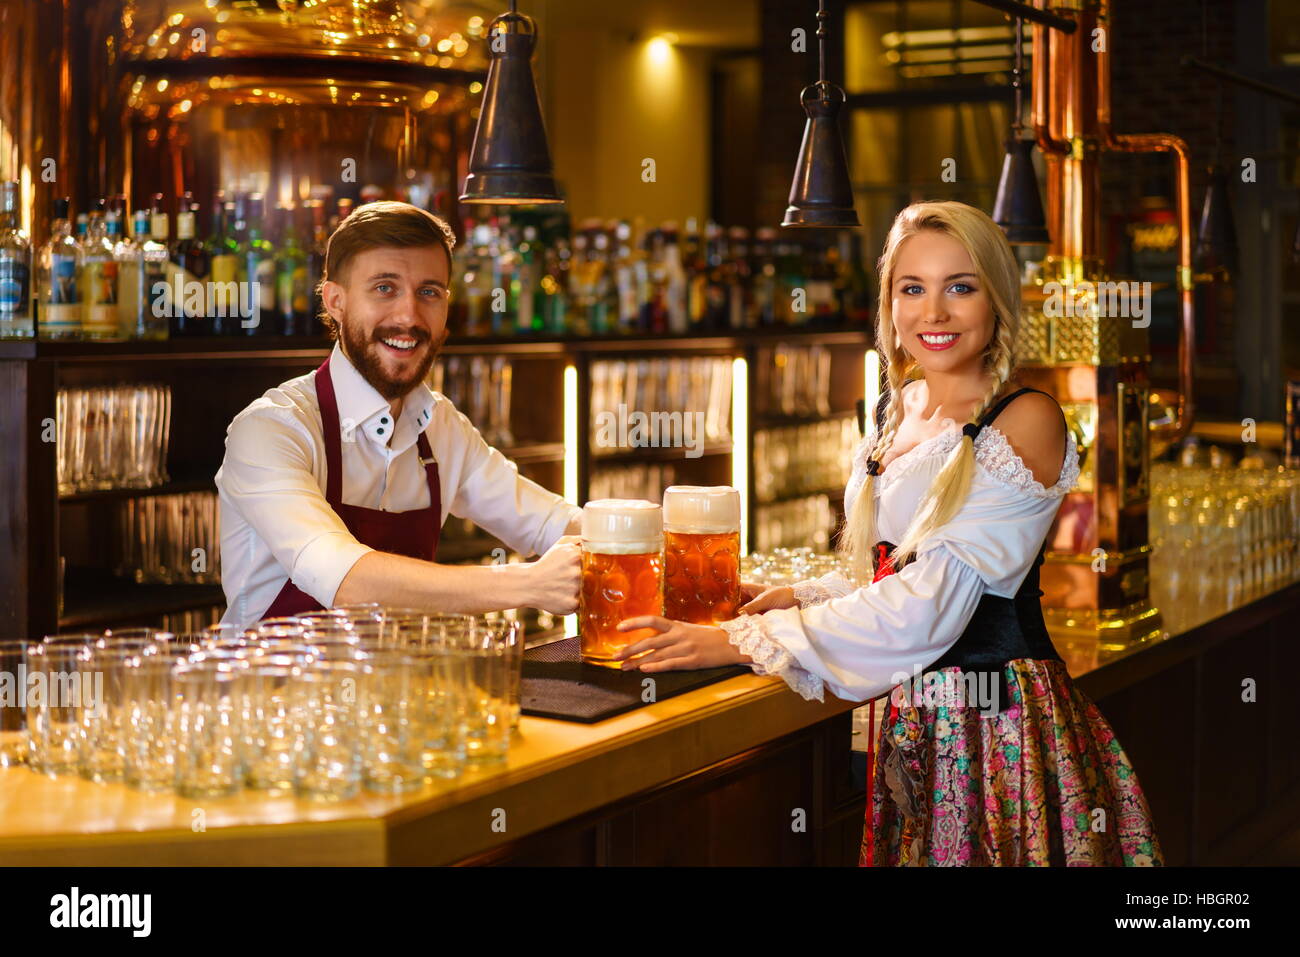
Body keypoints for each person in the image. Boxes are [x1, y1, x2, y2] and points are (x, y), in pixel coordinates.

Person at [612, 200, 1163, 866]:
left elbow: (929, 604)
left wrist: (739, 641)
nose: (934, 312)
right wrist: (801, 596)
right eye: (913, 288)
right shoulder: (895, 409)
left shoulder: (1026, 419)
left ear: (996, 300)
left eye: (960, 287)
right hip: (910, 720)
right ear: (890, 304)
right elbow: (891, 571)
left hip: (992, 727)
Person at [215, 201, 580, 631]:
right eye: (385, 288)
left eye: (429, 292)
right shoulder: (272, 429)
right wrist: (530, 583)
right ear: (336, 301)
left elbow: (551, 523)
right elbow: (345, 580)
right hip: (273, 675)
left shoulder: (443, 428)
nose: (409, 316)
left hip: (398, 675)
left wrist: (640, 532)